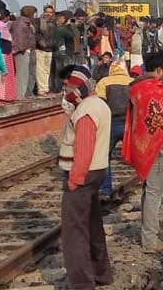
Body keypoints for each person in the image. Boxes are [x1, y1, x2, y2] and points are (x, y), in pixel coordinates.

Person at [57, 65, 113, 289]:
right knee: (92, 224)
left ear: (77, 86)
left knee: (74, 231)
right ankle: (102, 273)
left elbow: (84, 148)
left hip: (83, 173)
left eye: (67, 85)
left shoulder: (86, 111)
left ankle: (82, 283)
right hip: (98, 170)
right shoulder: (99, 104)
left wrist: (75, 178)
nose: (65, 89)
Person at [123, 51, 163, 253]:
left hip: (146, 144)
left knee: (149, 189)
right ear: (159, 69)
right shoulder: (153, 88)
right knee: (154, 192)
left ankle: (148, 233)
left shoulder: (137, 87)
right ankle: (150, 240)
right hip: (160, 146)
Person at [94, 61, 132, 197]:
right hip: (129, 124)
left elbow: (99, 104)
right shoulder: (132, 82)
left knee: (104, 156)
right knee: (138, 155)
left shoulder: (103, 82)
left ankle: (105, 188)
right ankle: (144, 180)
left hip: (110, 123)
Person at [11, 6, 37, 99]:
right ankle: (19, 96)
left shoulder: (28, 23)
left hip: (28, 50)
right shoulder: (20, 23)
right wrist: (22, 49)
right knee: (22, 75)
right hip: (21, 51)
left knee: (27, 74)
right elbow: (19, 38)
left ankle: (24, 94)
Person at [35, 5, 57, 96]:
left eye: (50, 12)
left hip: (50, 49)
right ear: (44, 12)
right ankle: (41, 89)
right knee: (40, 69)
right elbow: (36, 34)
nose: (48, 14)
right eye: (47, 11)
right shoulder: (39, 22)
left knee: (47, 70)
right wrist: (41, 42)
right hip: (40, 49)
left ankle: (46, 87)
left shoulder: (54, 23)